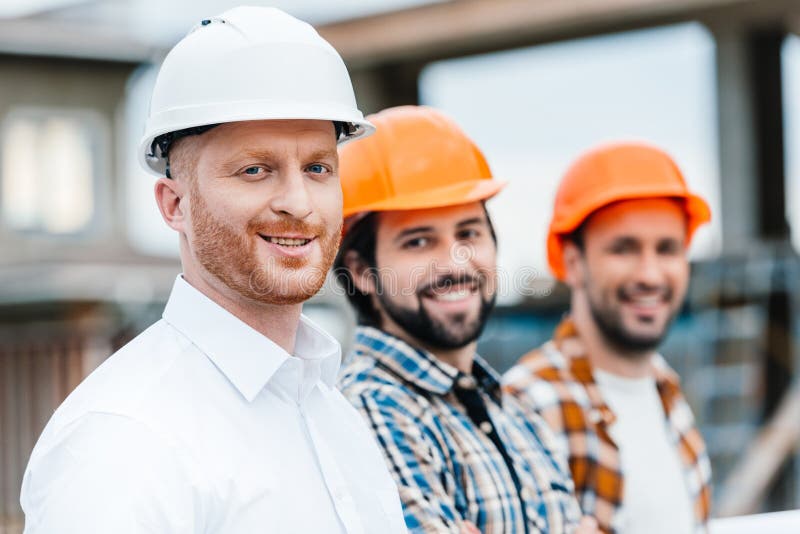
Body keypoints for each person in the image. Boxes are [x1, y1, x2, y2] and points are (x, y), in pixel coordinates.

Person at [20, 7, 405, 533]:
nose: (298, 202)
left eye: (317, 167)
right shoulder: (125, 440)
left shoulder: (332, 414)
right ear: (173, 204)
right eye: (255, 170)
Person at [335, 105, 596, 534]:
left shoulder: (517, 413)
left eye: (468, 233)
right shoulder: (370, 411)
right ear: (363, 271)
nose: (453, 263)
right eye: (418, 241)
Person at [503, 142, 713, 534]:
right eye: (624, 249)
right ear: (573, 261)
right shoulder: (529, 405)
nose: (650, 274)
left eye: (667, 249)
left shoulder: (666, 389)